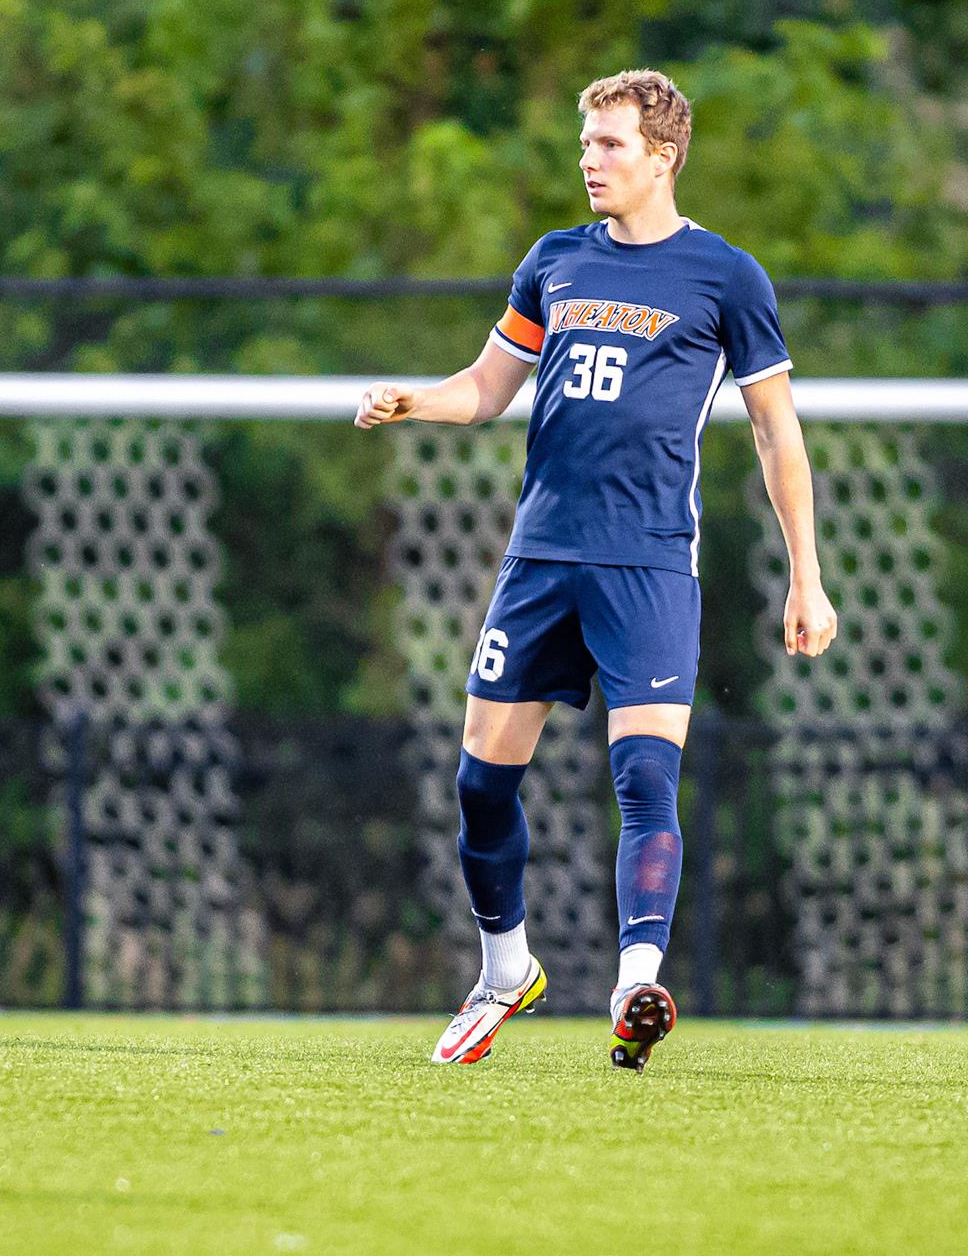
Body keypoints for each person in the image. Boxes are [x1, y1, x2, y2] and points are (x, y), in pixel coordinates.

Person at [354, 69, 837, 1071]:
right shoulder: (554, 260)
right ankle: (503, 971)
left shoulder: (724, 276)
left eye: (609, 144)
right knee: (479, 784)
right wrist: (414, 399)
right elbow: (487, 388)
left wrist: (806, 576)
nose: (588, 159)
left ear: (660, 155)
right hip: (539, 559)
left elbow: (774, 434)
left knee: (643, 775)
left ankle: (633, 982)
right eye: (585, 142)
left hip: (649, 563)